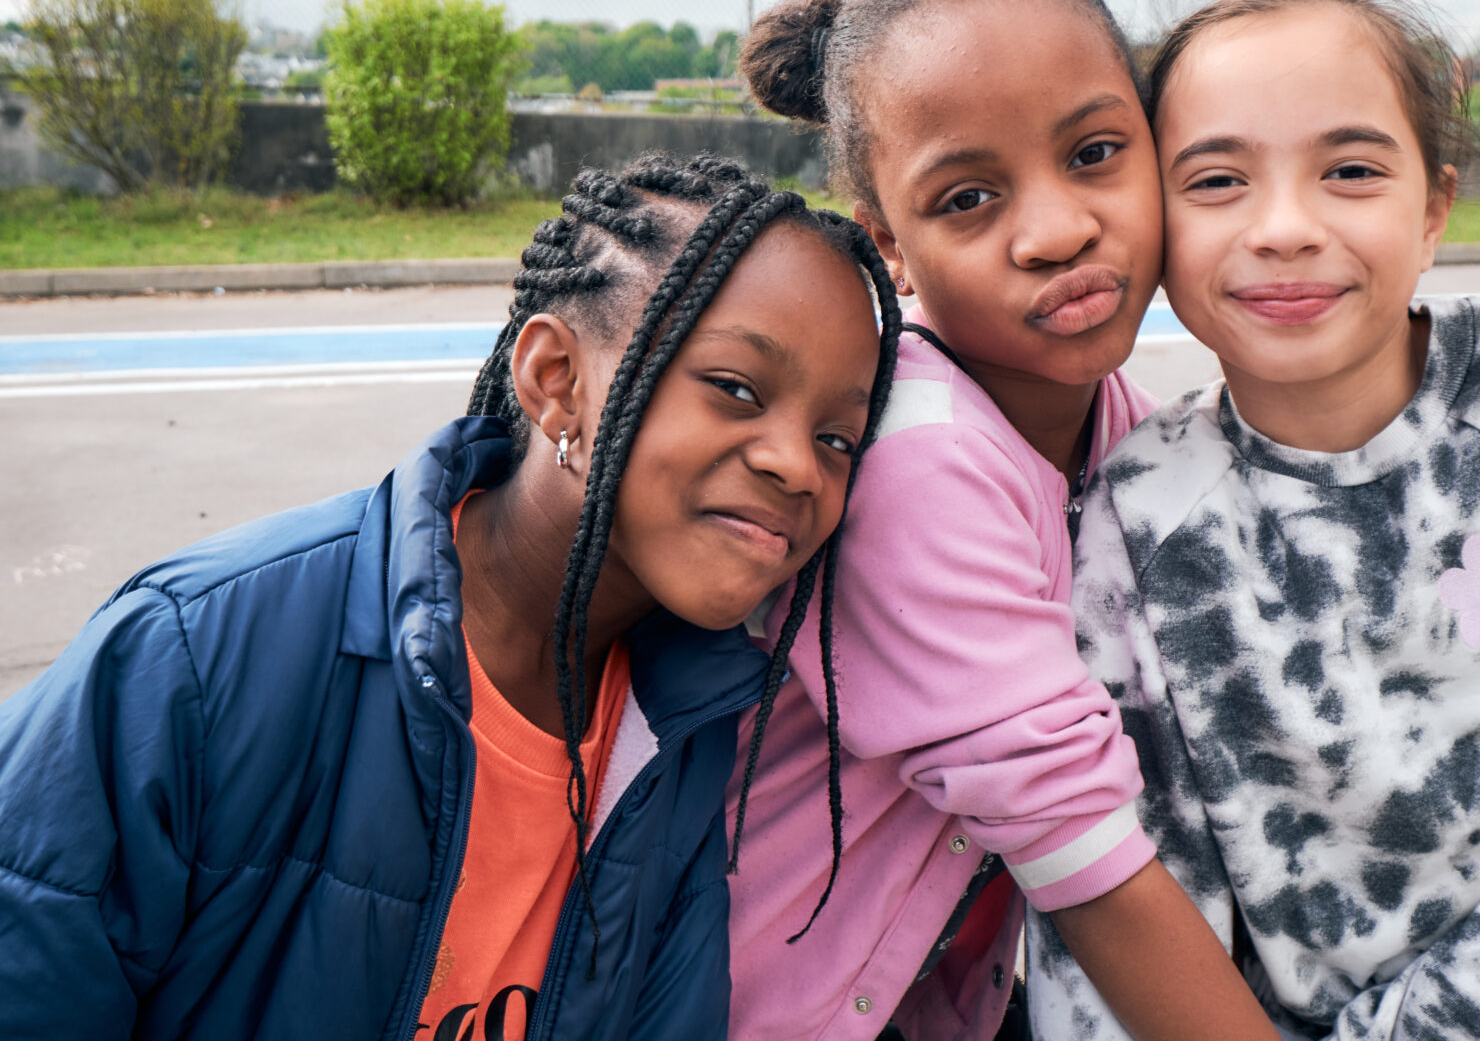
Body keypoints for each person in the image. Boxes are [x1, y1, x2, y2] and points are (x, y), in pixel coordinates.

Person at [0, 154, 901, 1041]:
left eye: (837, 438)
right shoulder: (197, 655)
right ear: (556, 382)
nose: (796, 464)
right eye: (736, 390)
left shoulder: (684, 730)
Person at [1027, 0, 1480, 1039]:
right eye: (1216, 179)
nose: (1283, 227)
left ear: (1435, 206)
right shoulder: (1137, 507)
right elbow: (1127, 901)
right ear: (1156, 225)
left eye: (1351, 169)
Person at [725, 0, 1276, 1041]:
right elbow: (1086, 858)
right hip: (771, 1006)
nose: (1056, 230)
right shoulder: (918, 463)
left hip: (940, 993)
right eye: (969, 198)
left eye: (1094, 153)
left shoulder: (1115, 414)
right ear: (889, 244)